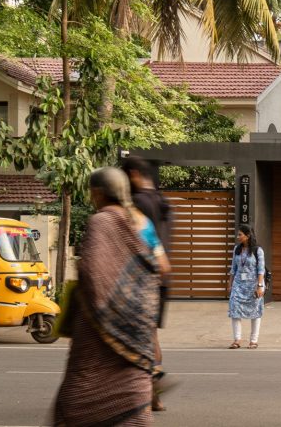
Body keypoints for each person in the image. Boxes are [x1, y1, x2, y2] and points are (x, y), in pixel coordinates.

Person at [53, 166, 162, 427]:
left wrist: (102, 304)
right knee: (132, 408)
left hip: (98, 336)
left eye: (92, 193)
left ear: (98, 193)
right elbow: (154, 269)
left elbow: (93, 272)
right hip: (136, 339)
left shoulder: (101, 221)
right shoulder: (138, 223)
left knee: (77, 401)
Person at [124, 157, 174, 412]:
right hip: (160, 279)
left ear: (132, 174)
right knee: (151, 335)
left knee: (132, 337)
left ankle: (143, 392)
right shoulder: (162, 201)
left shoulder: (137, 205)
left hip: (140, 278)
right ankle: (153, 393)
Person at [227, 225, 265, 349]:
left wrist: (259, 286)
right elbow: (233, 268)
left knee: (255, 312)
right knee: (234, 310)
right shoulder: (236, 249)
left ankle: (253, 340)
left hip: (254, 284)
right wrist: (230, 284)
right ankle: (237, 339)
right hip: (238, 284)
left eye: (240, 235)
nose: (238, 237)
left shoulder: (257, 250)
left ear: (247, 235)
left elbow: (261, 270)